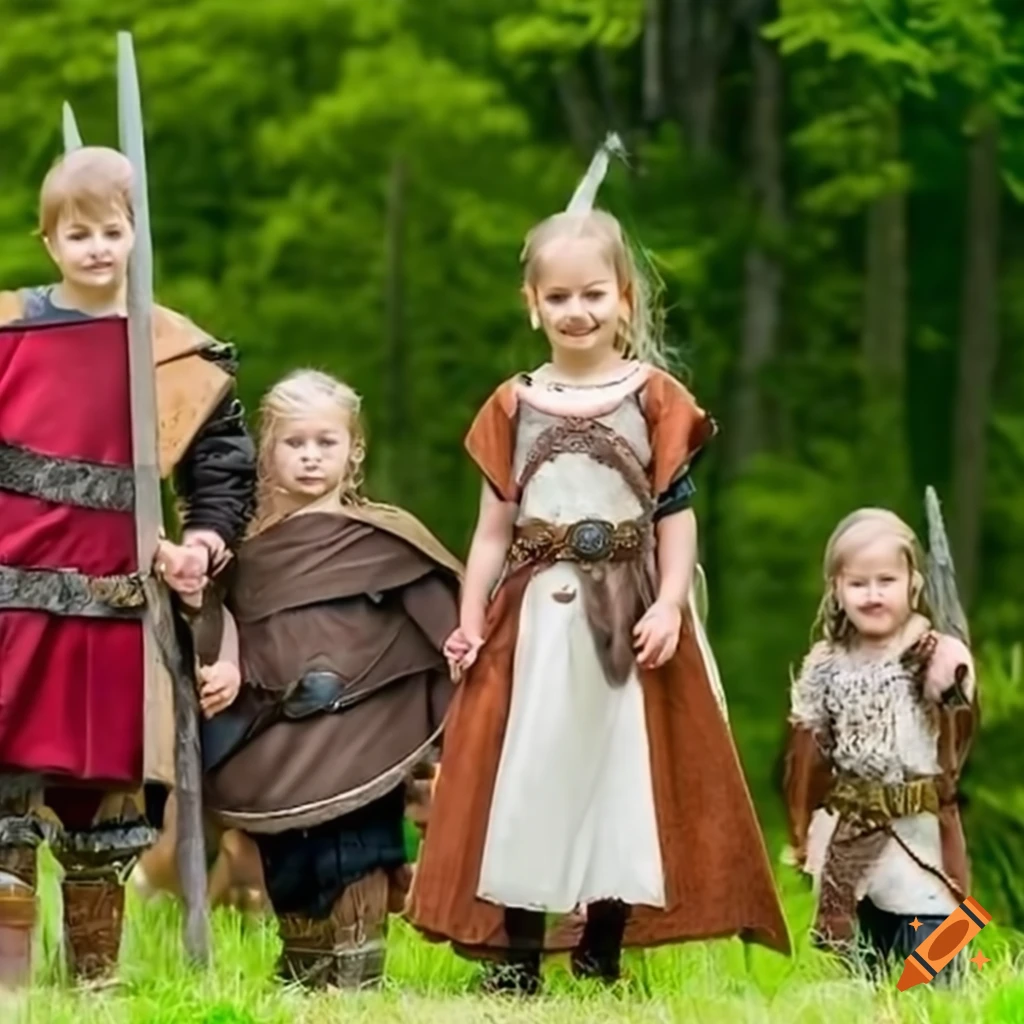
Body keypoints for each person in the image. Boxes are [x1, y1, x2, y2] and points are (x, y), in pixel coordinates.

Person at [406, 144, 790, 995]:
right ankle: (514, 957)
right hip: (536, 620)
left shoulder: (654, 397)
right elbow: (490, 532)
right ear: (531, 306)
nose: (576, 311)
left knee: (619, 773)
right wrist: (469, 619)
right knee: (530, 768)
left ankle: (604, 941)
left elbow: (677, 519)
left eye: (594, 294)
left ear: (624, 299)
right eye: (558, 297)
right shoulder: (514, 404)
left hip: (627, 614)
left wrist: (673, 606)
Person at [0, 146, 256, 988]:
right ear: (49, 242)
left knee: (102, 808)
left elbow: (220, 472)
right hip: (12, 613)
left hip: (118, 618)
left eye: (114, 231)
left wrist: (201, 546)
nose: (99, 248)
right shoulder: (8, 331)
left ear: (137, 235)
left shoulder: (175, 349)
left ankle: (94, 985)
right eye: (80, 235)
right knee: (4, 810)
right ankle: (7, 984)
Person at [183, 369, 459, 989]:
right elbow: (222, 615)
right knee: (290, 857)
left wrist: (461, 655)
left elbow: (441, 620)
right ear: (268, 448)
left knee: (357, 846)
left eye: (325, 443)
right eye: (294, 443)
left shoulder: (384, 537)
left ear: (353, 449)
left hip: (363, 735)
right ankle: (305, 970)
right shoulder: (246, 547)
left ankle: (358, 976)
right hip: (275, 737)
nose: (310, 457)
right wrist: (226, 663)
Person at [783, 508, 976, 979]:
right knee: (865, 976)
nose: (872, 595)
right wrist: (802, 826)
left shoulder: (931, 654)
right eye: (858, 583)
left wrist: (954, 677)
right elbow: (806, 758)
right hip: (853, 846)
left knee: (935, 974)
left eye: (886, 580)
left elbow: (961, 727)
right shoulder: (825, 664)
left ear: (912, 584)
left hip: (921, 840)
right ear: (836, 589)